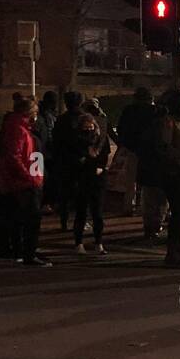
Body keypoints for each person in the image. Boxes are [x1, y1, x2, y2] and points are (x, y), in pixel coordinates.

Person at [0, 94, 48, 266]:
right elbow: (14, 156)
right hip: (22, 182)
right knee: (30, 219)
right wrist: (29, 176)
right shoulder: (18, 129)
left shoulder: (20, 127)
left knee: (13, 219)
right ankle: (28, 254)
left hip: (20, 180)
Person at [149, 91, 180, 267]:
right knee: (177, 212)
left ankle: (177, 247)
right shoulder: (169, 122)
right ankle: (173, 251)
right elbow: (164, 146)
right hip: (174, 174)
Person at [70, 108, 110, 255]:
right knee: (81, 212)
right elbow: (76, 158)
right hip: (82, 178)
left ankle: (99, 242)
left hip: (98, 178)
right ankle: (78, 243)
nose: (89, 129)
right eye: (85, 127)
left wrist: (99, 166)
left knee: (97, 212)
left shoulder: (100, 139)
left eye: (91, 126)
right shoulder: (76, 140)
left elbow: (104, 155)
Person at [113, 88, 156, 215]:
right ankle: (144, 207)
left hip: (133, 149)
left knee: (131, 180)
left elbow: (121, 128)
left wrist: (125, 144)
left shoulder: (129, 110)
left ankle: (128, 207)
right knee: (148, 181)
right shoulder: (153, 111)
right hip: (149, 151)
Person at [51, 91, 86, 236]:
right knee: (81, 194)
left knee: (65, 193)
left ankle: (64, 221)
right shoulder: (84, 119)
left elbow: (55, 141)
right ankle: (80, 222)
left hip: (64, 161)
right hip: (80, 161)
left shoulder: (61, 120)